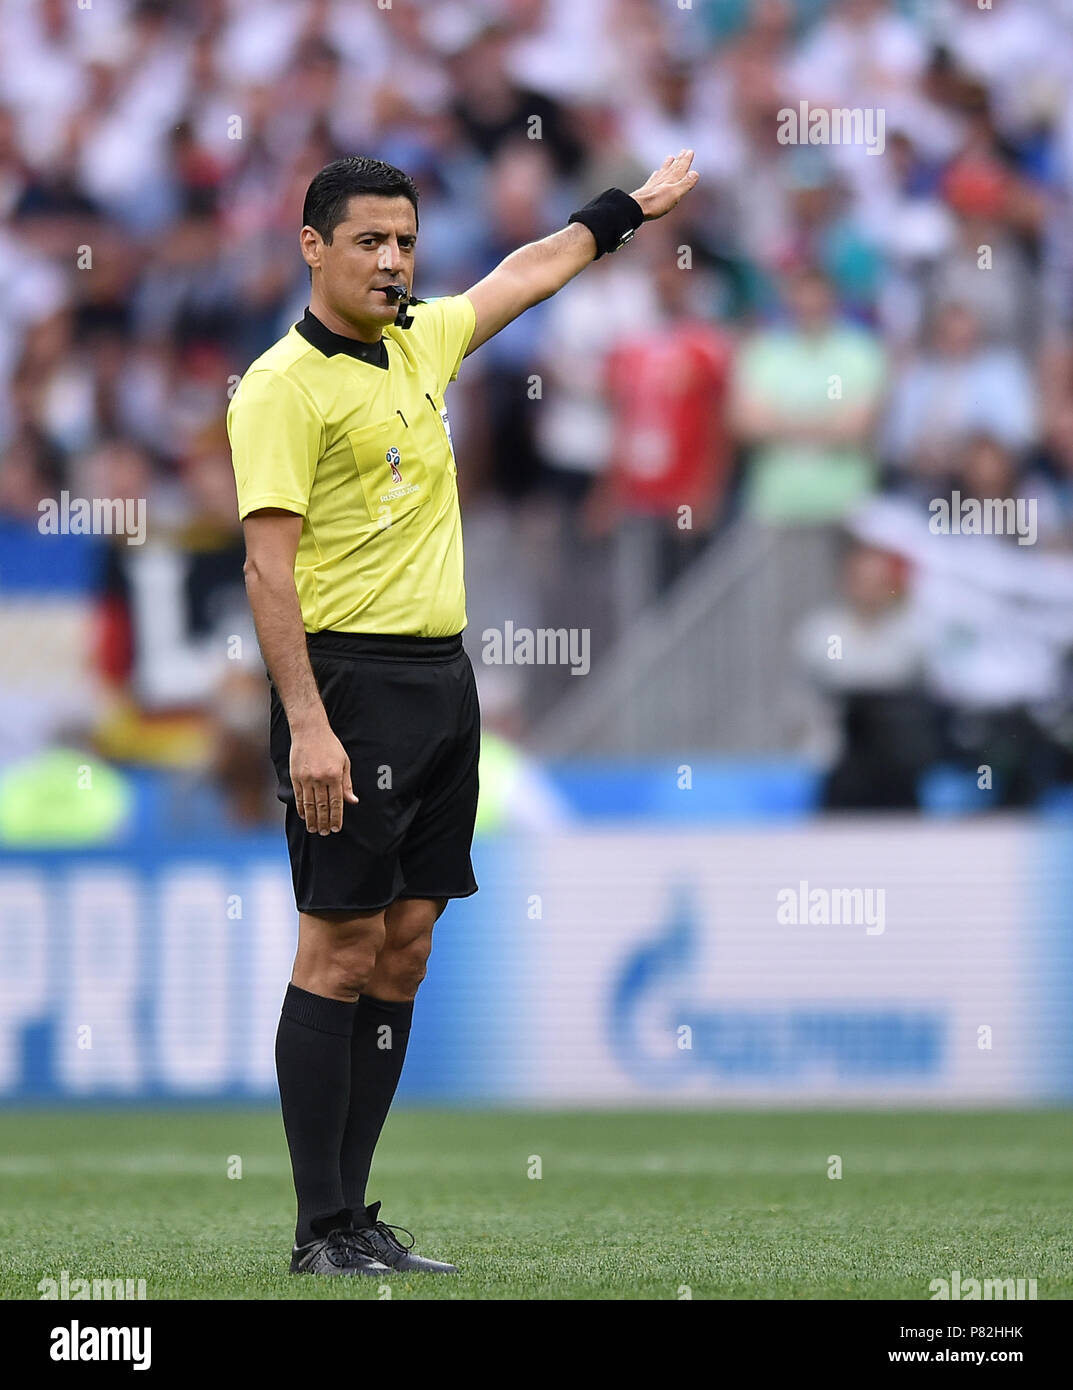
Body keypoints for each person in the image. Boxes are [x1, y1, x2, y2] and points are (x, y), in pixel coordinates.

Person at [227, 151, 699, 1277]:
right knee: (335, 947)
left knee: (405, 946)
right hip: (345, 688)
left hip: (442, 685)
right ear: (312, 247)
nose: (393, 262)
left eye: (403, 241)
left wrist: (623, 208)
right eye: (367, 243)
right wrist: (305, 723)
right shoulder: (280, 387)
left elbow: (530, 270)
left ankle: (355, 1216)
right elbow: (265, 569)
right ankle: (319, 1226)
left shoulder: (421, 340)